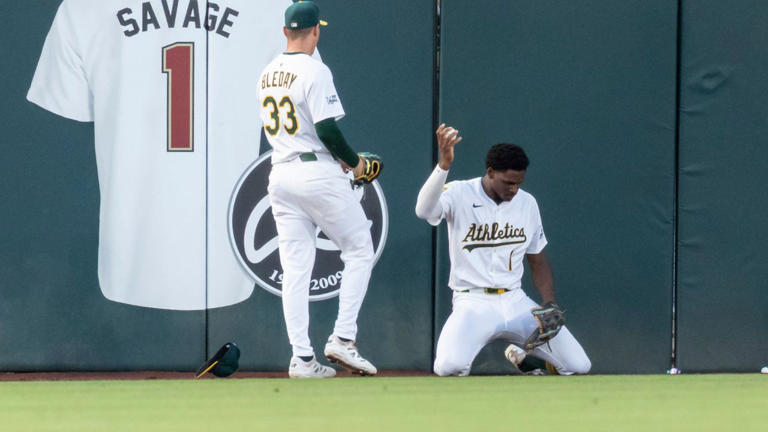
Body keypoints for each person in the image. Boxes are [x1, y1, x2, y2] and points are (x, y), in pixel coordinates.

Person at [258, 1, 377, 378]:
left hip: (281, 172)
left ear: (284, 32)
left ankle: (302, 359)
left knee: (295, 269)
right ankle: (343, 339)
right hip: (314, 171)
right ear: (316, 31)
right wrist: (355, 163)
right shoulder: (315, 69)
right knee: (359, 248)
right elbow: (326, 129)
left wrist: (336, 156)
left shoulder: (267, 72)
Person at [415, 124, 591, 376]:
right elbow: (423, 211)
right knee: (449, 367)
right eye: (508, 182)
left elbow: (537, 259)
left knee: (579, 365)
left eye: (519, 183)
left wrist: (549, 302)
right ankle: (520, 354)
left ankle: (532, 362)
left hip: (516, 300)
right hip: (472, 301)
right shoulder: (459, 192)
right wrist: (444, 165)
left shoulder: (527, 203)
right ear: (490, 172)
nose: (514, 189)